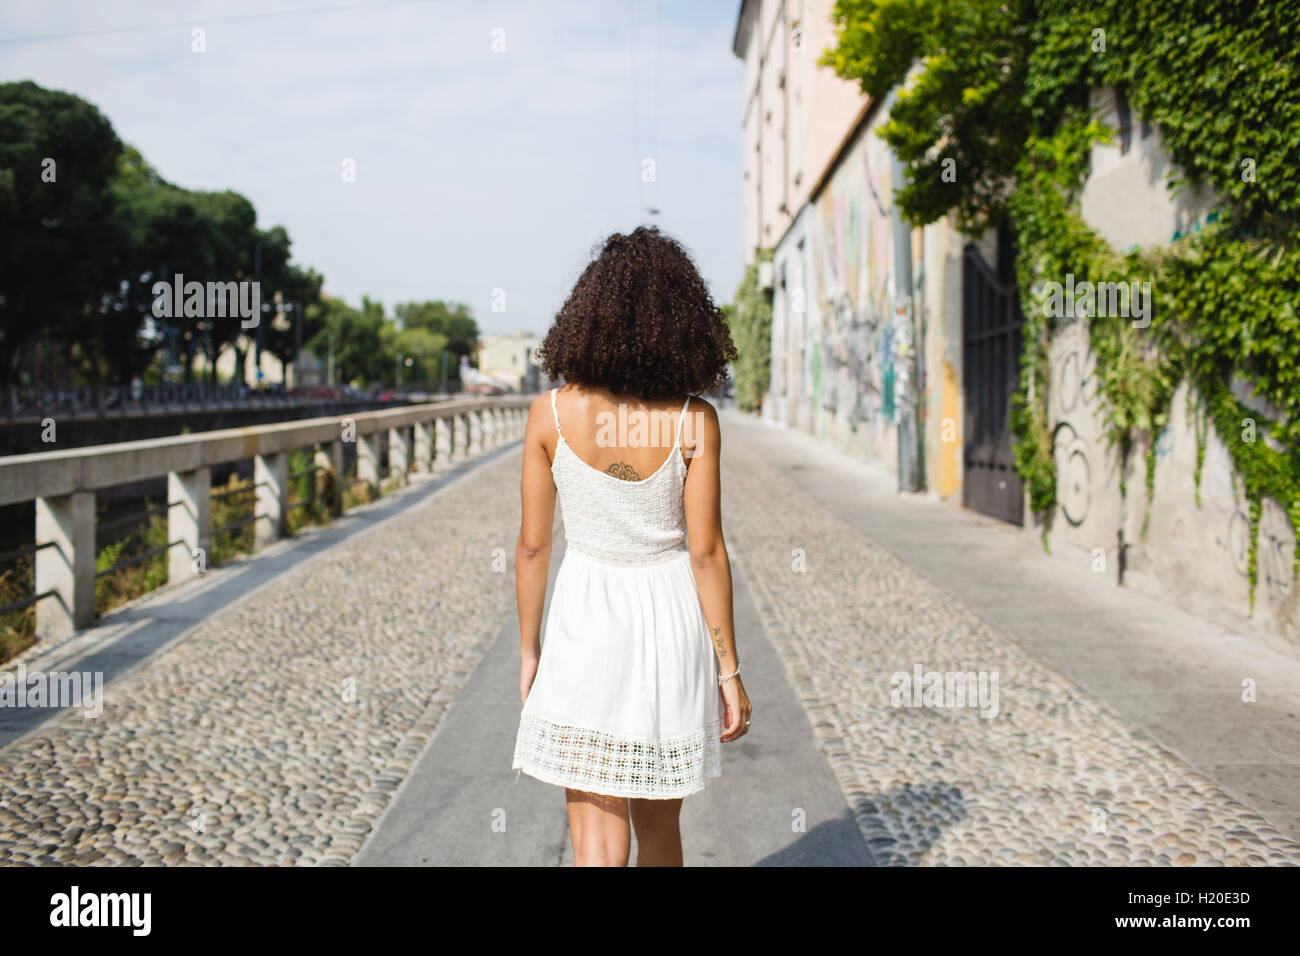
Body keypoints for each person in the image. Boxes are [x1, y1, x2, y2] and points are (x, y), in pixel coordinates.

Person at [511, 225, 752, 867]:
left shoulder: (550, 416)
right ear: (682, 321)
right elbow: (707, 554)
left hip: (586, 614)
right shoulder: (694, 421)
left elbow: (534, 548)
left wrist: (531, 649)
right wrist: (729, 670)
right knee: (660, 828)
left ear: (587, 316)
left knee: (596, 837)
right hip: (668, 615)